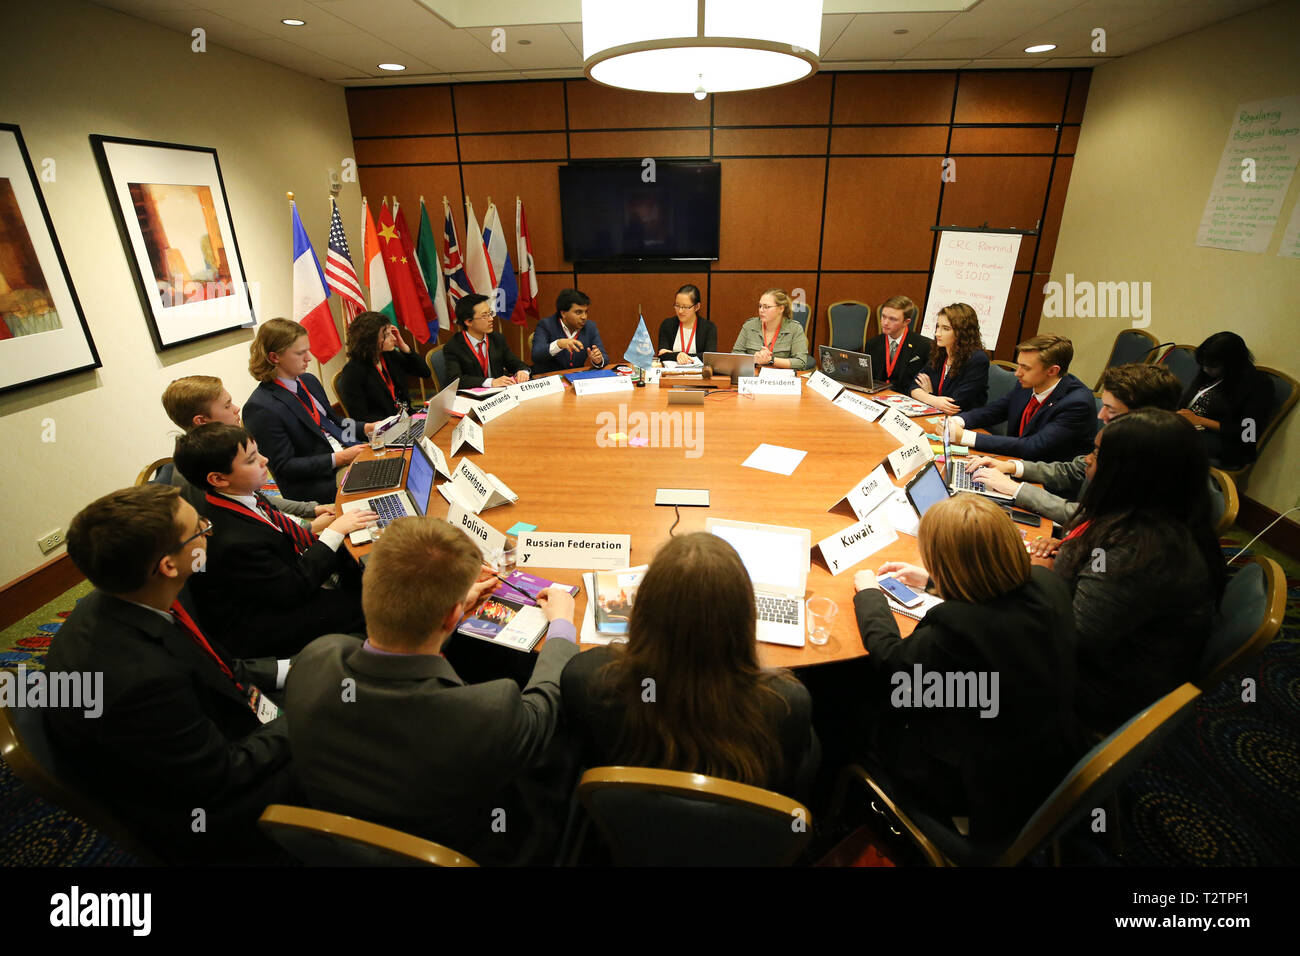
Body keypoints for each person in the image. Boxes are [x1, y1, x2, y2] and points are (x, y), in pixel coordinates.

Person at [284, 516, 580, 865]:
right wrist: (562, 624)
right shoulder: (487, 711)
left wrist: (447, 614)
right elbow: (547, 700)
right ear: (452, 615)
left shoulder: (313, 662)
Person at [43, 484, 295, 864]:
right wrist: (309, 711)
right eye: (200, 528)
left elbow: (218, 666)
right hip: (209, 811)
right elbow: (224, 775)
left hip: (211, 731)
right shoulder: (141, 681)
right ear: (167, 564)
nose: (210, 531)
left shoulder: (137, 595)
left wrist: (292, 671)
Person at [852, 494, 1080, 845]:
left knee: (850, 704)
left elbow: (892, 666)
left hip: (979, 794)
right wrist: (931, 581)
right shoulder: (1048, 584)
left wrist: (869, 594)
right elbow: (991, 587)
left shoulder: (958, 627)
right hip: (1050, 762)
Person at [561, 532, 818, 798]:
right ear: (745, 618)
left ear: (641, 611)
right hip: (738, 835)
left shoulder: (585, 680)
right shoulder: (787, 704)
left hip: (624, 831)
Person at [1048, 409, 1226, 734]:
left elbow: (1070, 639)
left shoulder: (1140, 550)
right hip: (1095, 665)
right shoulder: (1152, 516)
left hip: (1090, 693)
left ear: (1131, 473)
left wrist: (1037, 578)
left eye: (1098, 453)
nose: (1086, 460)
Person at [173, 423, 374, 658]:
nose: (265, 461)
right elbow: (294, 589)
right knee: (372, 602)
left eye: (258, 452)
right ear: (218, 479)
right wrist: (333, 533)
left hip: (280, 583)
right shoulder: (233, 540)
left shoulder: (240, 494)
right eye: (251, 460)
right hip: (263, 623)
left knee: (359, 563)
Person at [963, 363, 1182, 526]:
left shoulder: (1154, 465)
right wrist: (1010, 467)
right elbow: (1073, 469)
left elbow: (1089, 517)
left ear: (1144, 416)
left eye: (1111, 410)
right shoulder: (1124, 439)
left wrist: (1015, 488)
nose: (1100, 415)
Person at [160, 374, 333, 530]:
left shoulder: (226, 450)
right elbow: (251, 524)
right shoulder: (202, 476)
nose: (236, 408)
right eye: (227, 406)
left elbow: (259, 499)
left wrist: (310, 509)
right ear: (202, 421)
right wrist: (310, 527)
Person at [241, 318, 379, 505]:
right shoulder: (260, 407)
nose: (309, 358)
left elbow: (333, 423)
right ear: (275, 357)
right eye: (301, 353)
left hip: (350, 454)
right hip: (320, 481)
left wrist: (367, 428)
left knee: (400, 460)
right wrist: (339, 458)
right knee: (385, 484)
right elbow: (285, 466)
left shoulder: (308, 381)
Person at [945, 333, 1096, 463]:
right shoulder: (1028, 384)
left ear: (1052, 370)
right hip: (1011, 462)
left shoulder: (1077, 403)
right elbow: (995, 411)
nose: (1017, 373)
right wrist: (957, 421)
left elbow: (1033, 446)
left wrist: (964, 436)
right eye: (1019, 365)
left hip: (1044, 482)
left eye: (1026, 368)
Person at [1176, 331, 1275, 469]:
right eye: (1203, 365)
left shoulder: (1258, 384)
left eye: (1212, 366)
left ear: (1231, 364)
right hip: (1192, 427)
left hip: (1227, 442)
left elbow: (1248, 433)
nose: (1205, 370)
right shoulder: (1209, 373)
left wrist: (1201, 421)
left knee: (1170, 442)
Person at [335, 311, 431, 422]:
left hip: (408, 418)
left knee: (437, 422)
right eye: (387, 335)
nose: (394, 338)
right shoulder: (353, 372)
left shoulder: (387, 355)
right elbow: (360, 417)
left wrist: (403, 347)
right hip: (386, 428)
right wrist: (395, 423)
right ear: (371, 339)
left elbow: (425, 372)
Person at [909, 302, 988, 413]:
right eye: (937, 327)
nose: (937, 333)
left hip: (963, 422)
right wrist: (934, 400)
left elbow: (954, 405)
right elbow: (913, 386)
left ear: (962, 332)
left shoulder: (977, 359)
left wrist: (929, 395)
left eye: (945, 328)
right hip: (939, 416)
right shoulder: (941, 352)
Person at [442, 293, 531, 387]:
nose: (491, 319)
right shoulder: (453, 347)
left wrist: (522, 372)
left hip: (499, 395)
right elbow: (455, 380)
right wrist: (490, 382)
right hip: (472, 398)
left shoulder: (497, 339)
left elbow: (514, 363)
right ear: (468, 321)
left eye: (490, 313)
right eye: (484, 316)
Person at [863, 294, 933, 392]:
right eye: (883, 316)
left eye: (892, 319)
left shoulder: (924, 346)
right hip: (877, 396)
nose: (885, 322)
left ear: (906, 322)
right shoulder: (873, 344)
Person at [530, 289, 607, 374]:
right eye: (578, 312)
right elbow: (536, 355)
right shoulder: (546, 325)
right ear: (563, 313)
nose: (584, 317)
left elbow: (604, 356)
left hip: (575, 379)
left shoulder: (590, 327)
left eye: (586, 312)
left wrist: (598, 360)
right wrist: (558, 344)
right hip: (550, 378)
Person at [732, 288, 811, 370]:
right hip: (753, 376)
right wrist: (753, 359)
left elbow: (801, 362)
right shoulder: (749, 326)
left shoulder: (795, 328)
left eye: (766, 307)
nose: (761, 310)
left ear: (781, 308)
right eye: (760, 306)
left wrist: (771, 360)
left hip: (781, 378)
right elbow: (735, 354)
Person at [656, 284, 718, 364]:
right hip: (671, 374)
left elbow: (709, 356)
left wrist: (676, 355)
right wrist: (677, 355)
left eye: (685, 307)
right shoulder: (667, 325)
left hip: (698, 375)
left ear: (697, 307)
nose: (680, 311)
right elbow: (661, 355)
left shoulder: (709, 328)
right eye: (677, 306)